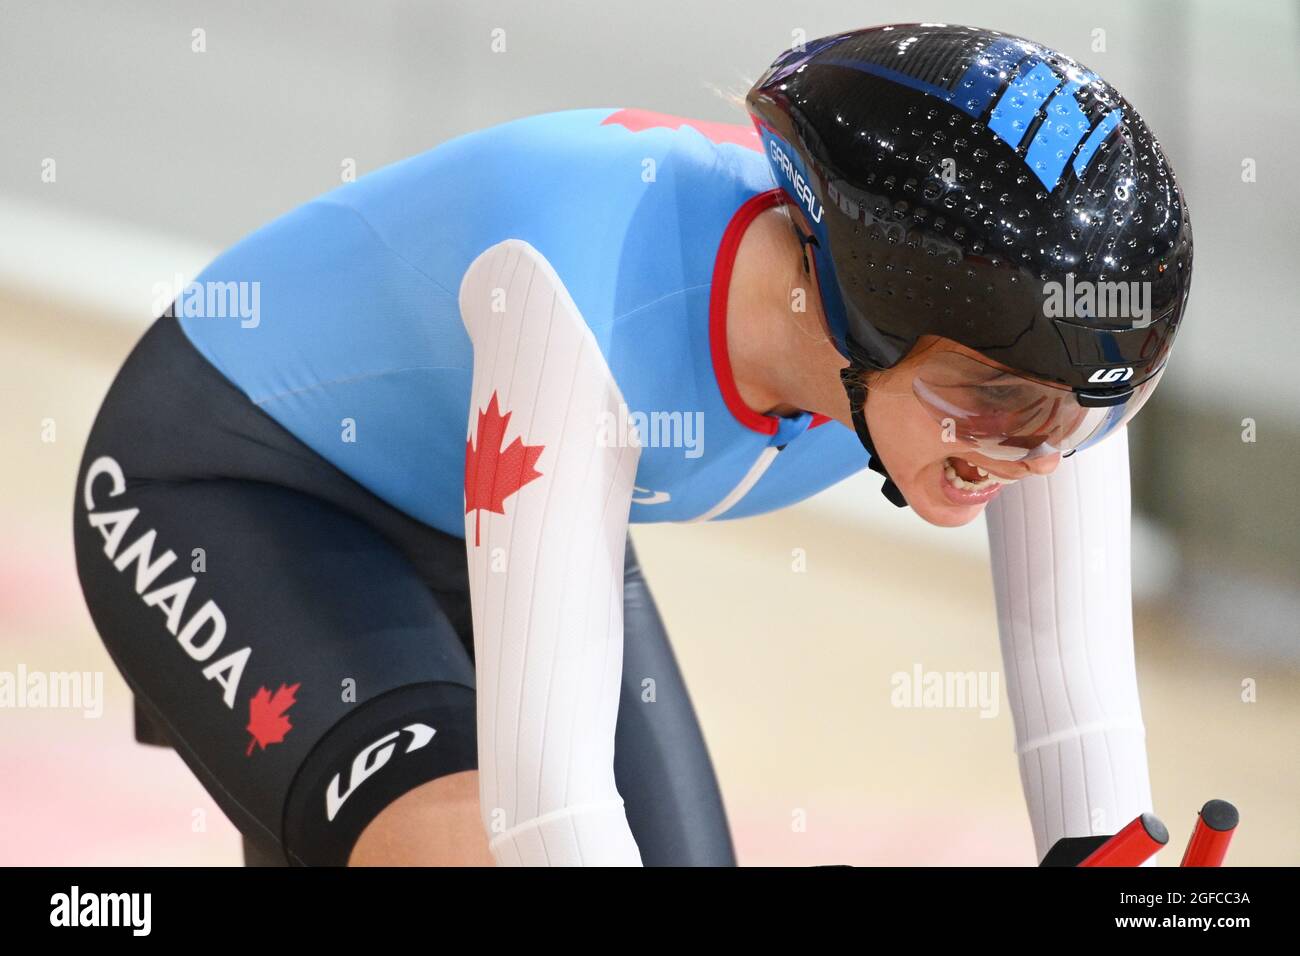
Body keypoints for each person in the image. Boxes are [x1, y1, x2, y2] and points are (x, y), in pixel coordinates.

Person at [73, 23, 1192, 866]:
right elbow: (549, 813)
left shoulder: (1038, 373)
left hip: (489, 504)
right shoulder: (585, 297)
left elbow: (1089, 763)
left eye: (1092, 416)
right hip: (229, 479)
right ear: (858, 308)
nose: (1039, 458)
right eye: (992, 403)